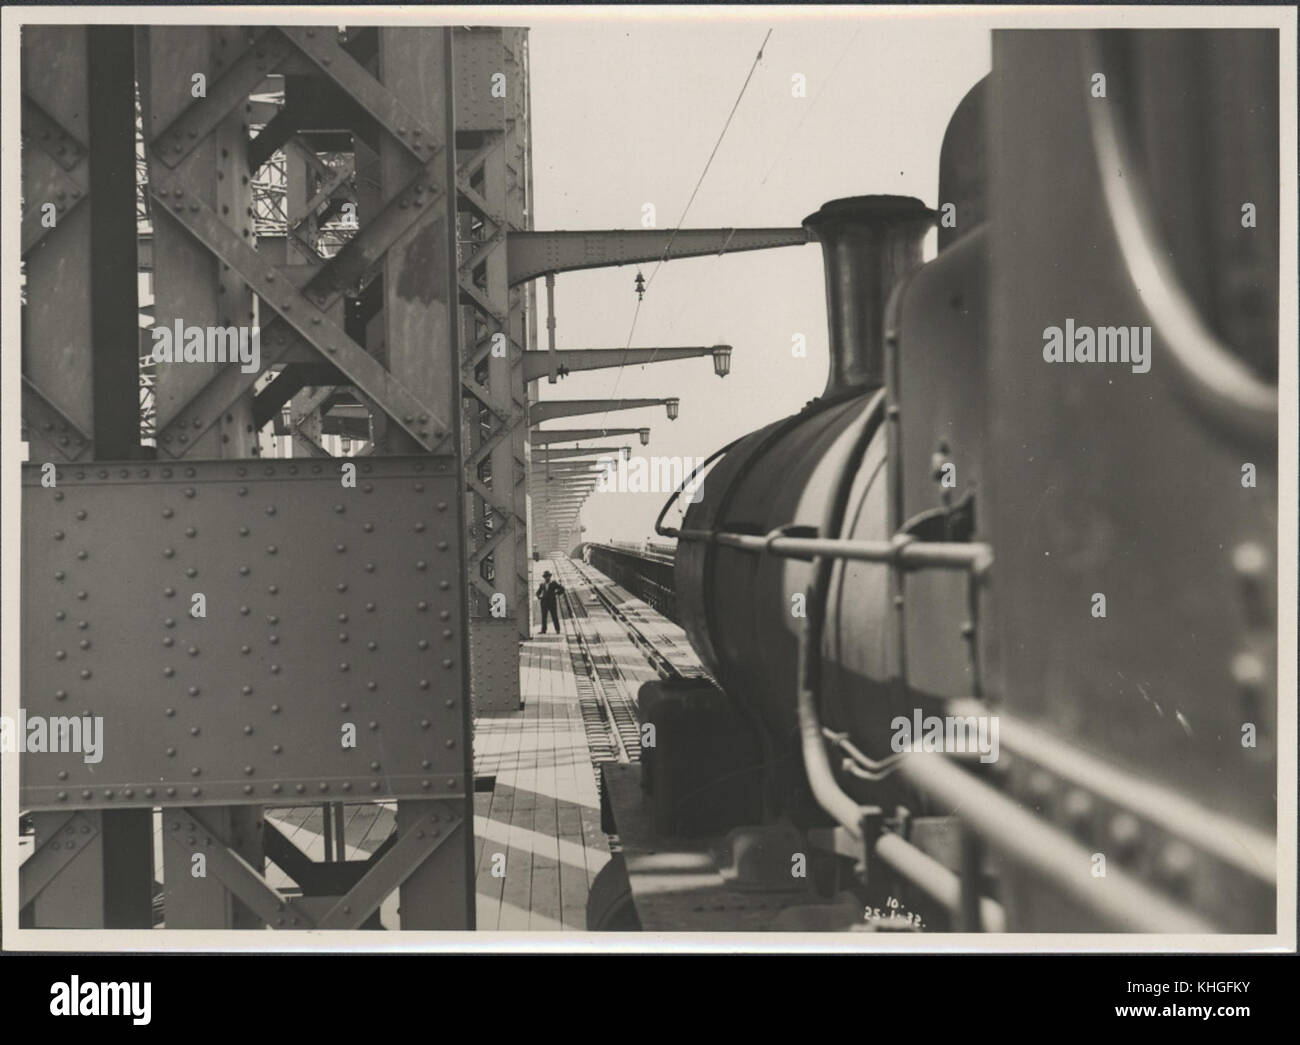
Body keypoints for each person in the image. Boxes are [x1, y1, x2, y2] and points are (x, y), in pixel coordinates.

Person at [536, 570, 565, 634]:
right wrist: (539, 597)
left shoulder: (553, 583)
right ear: (544, 577)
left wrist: (557, 593)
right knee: (544, 617)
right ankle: (543, 630)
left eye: (548, 576)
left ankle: (557, 630)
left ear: (550, 577)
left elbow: (562, 589)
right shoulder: (542, 584)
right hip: (544, 603)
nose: (547, 578)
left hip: (552, 603)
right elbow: (538, 592)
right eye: (546, 576)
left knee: (554, 616)